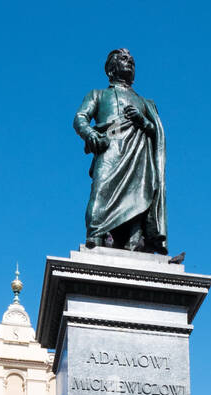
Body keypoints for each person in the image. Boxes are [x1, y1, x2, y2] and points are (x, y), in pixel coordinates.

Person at [73, 48, 167, 253]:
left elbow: (155, 133)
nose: (130, 62)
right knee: (100, 192)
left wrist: (143, 121)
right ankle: (96, 235)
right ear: (110, 69)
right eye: (124, 59)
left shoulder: (145, 102)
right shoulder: (98, 94)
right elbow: (80, 118)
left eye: (132, 60)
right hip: (110, 148)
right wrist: (89, 134)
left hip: (138, 154)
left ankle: (136, 241)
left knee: (139, 197)